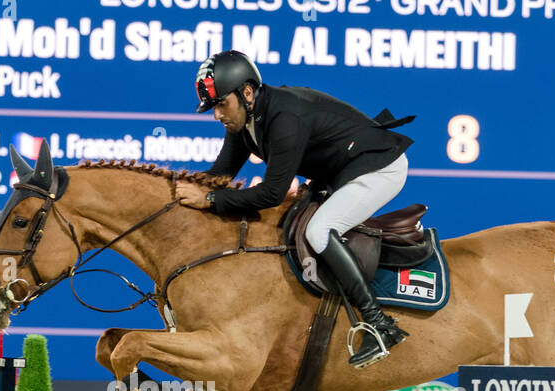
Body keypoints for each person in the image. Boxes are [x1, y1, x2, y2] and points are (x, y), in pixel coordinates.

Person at [176, 50, 415, 368]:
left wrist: (209, 201)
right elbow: (221, 176)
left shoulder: (284, 117)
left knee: (319, 231)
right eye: (213, 107)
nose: (217, 114)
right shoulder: (245, 121)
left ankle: (379, 324)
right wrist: (179, 194)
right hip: (342, 172)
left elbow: (272, 194)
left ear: (247, 92)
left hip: (379, 169)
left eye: (221, 104)